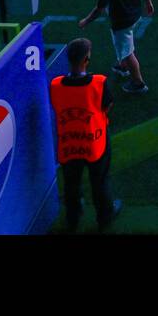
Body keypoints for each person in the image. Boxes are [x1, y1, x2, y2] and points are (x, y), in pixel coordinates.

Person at [49, 38, 121, 232]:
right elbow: (107, 106)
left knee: (71, 182)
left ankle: (73, 217)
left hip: (68, 143)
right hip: (95, 142)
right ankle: (105, 216)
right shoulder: (99, 82)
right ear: (87, 59)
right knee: (100, 180)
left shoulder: (55, 84)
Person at [79, 0, 154, 95]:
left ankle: (138, 83)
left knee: (128, 53)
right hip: (136, 15)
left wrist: (85, 21)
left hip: (122, 22)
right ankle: (122, 66)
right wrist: (149, 3)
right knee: (126, 45)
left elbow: (99, 9)